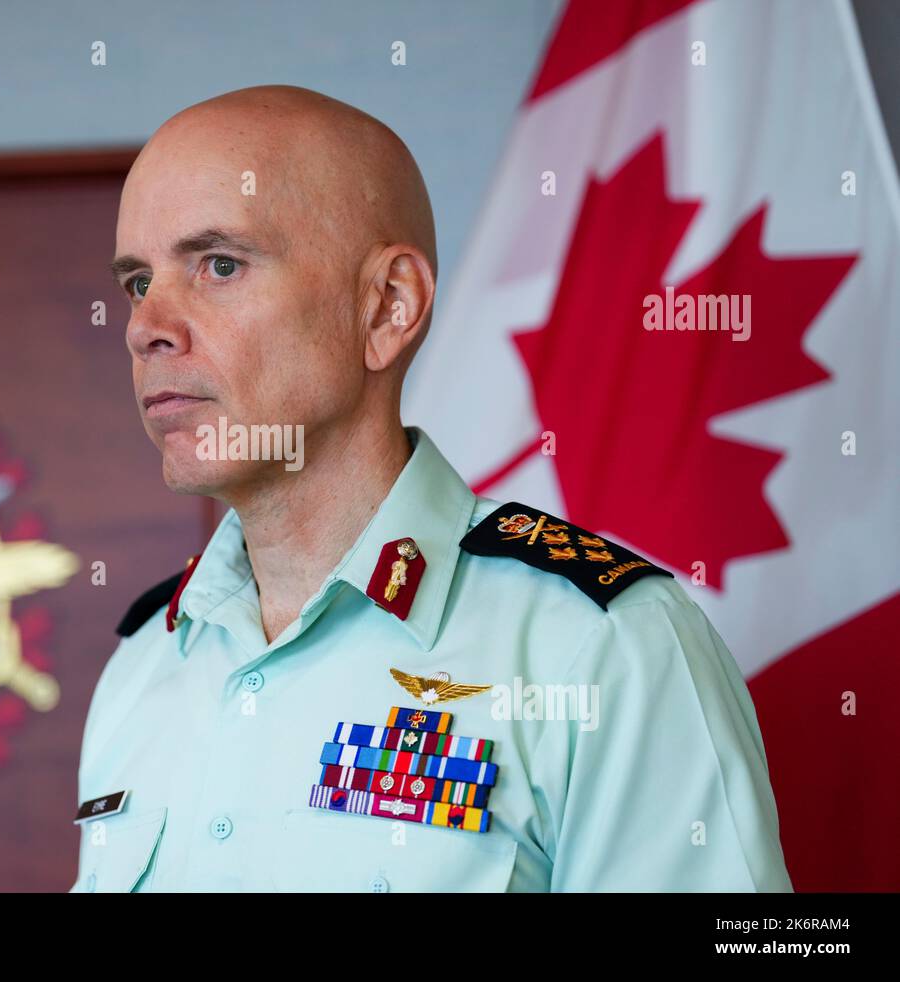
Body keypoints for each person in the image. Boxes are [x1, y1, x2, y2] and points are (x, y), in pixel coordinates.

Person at [71, 84, 792, 892]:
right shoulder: (144, 666)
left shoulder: (601, 650)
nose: (146, 326)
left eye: (220, 265)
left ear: (387, 307)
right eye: (138, 281)